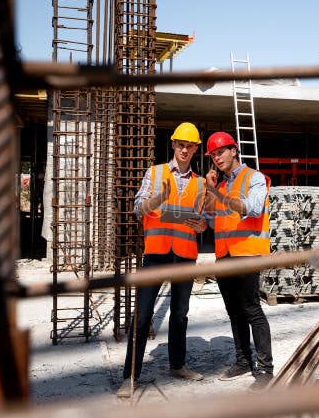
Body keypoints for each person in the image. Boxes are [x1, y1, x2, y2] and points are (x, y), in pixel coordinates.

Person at [117, 122, 208, 398]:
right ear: (173, 145)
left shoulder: (200, 183)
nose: (184, 150)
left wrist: (201, 225)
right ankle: (130, 376)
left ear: (195, 149)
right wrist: (160, 198)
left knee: (179, 314)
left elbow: (204, 220)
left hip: (184, 255)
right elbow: (138, 208)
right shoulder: (155, 173)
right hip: (156, 254)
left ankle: (178, 365)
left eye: (189, 146)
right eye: (180, 145)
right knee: (143, 315)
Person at [204, 131, 274, 390]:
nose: (217, 157)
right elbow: (212, 221)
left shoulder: (254, 178)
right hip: (224, 256)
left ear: (234, 150)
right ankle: (243, 361)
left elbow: (252, 208)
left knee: (252, 311)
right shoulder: (221, 186)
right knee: (234, 313)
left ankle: (265, 369)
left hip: (246, 254)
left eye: (221, 151)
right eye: (213, 154)